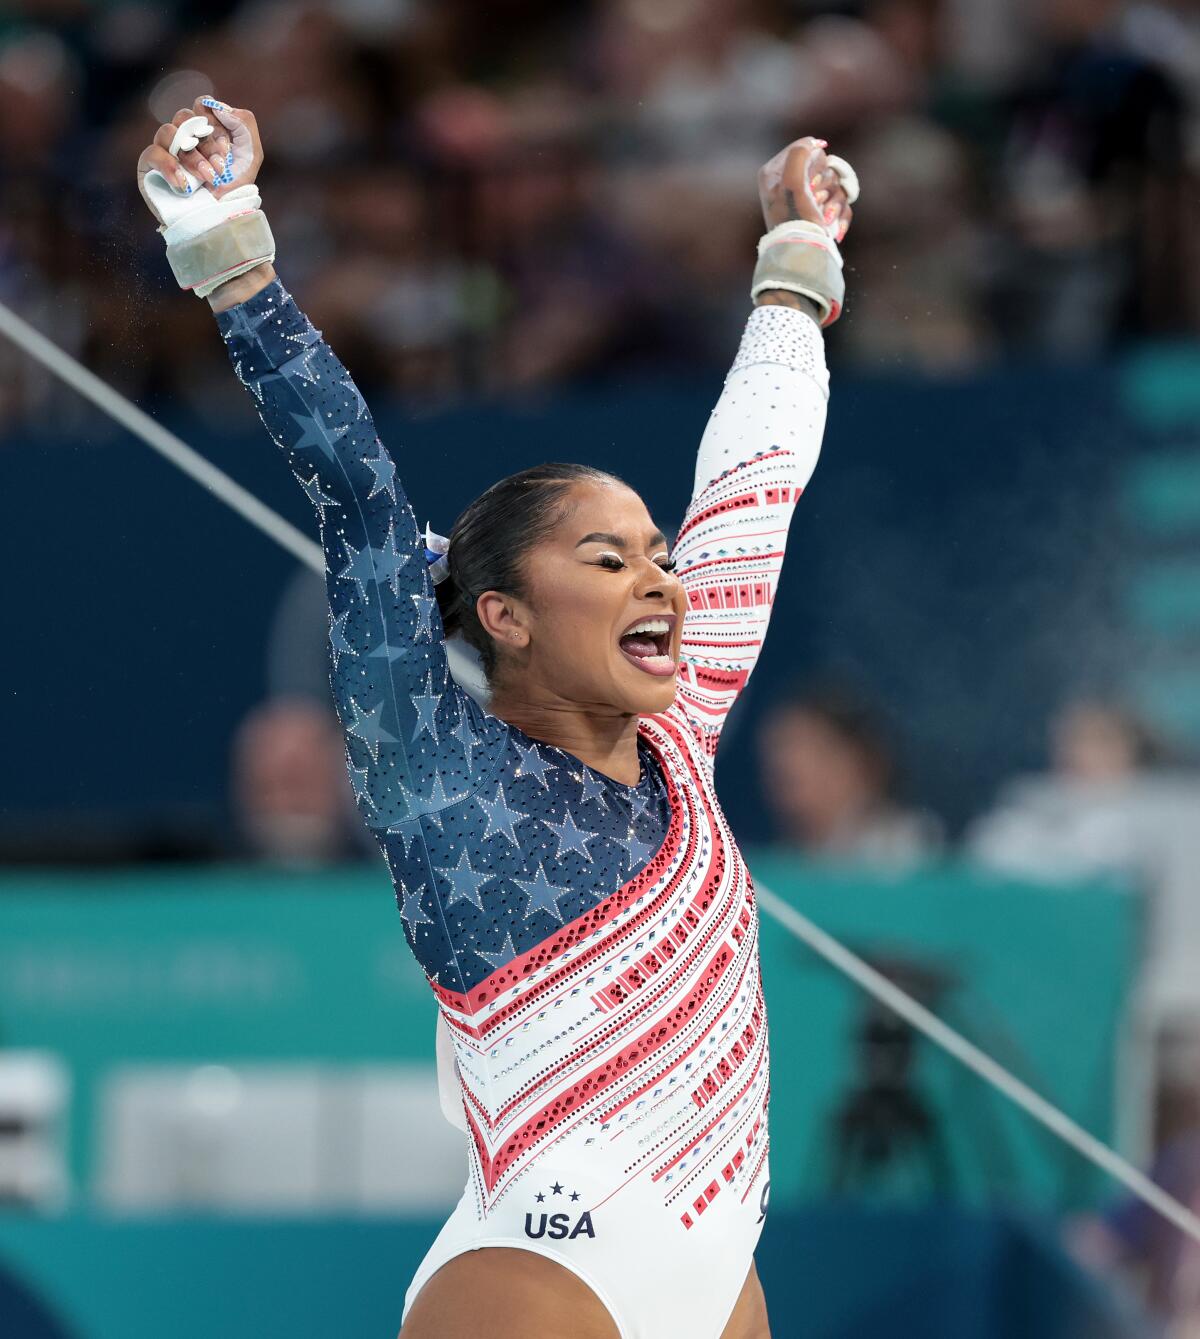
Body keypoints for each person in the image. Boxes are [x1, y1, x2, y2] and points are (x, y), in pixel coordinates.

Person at [136, 96, 857, 1339]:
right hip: (537, 1280)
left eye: (656, 553)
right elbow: (361, 504)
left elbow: (756, 482)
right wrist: (231, 251)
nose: (660, 579)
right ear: (508, 616)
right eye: (607, 558)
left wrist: (795, 270)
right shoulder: (441, 780)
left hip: (715, 1282)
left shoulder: (680, 727)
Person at [757, 683, 941, 868]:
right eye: (777, 751)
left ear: (863, 760)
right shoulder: (783, 862)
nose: (788, 764)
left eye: (816, 749)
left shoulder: (906, 847)